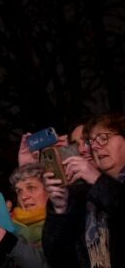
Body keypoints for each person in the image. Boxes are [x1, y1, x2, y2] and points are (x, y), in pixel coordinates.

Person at [43, 112, 125, 268]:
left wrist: (97, 180)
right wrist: (60, 211)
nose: (94, 146)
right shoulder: (81, 196)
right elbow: (56, 259)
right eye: (92, 141)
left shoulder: (98, 186)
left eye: (103, 138)